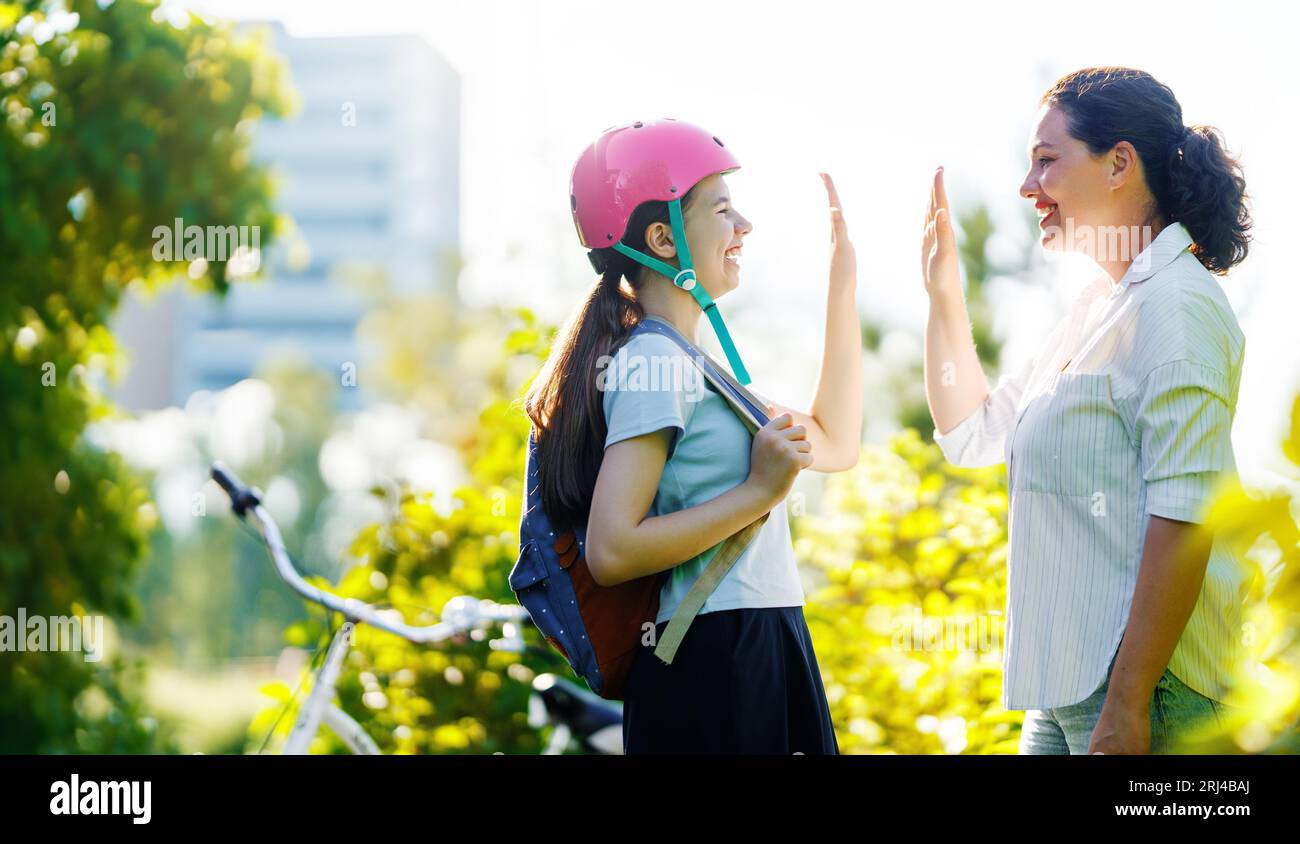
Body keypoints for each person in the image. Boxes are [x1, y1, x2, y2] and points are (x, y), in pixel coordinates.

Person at [922, 67, 1252, 754]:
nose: (1027, 187)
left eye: (1047, 160)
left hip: (1151, 694)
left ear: (1119, 164)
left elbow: (1187, 514)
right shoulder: (1091, 312)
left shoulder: (1176, 306)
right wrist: (944, 295)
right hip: (1066, 692)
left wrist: (1129, 704)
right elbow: (970, 433)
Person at [524, 118, 862, 753]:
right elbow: (613, 549)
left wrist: (842, 289)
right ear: (662, 237)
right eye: (723, 209)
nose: (744, 227)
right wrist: (759, 491)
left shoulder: (686, 365)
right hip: (716, 654)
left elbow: (835, 442)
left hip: (754, 637)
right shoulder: (654, 365)